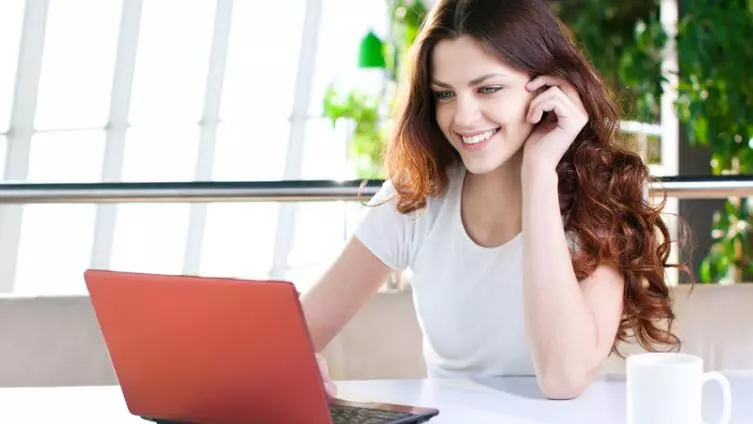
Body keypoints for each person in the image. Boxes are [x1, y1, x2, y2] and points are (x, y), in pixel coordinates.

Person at [302, 0, 686, 400]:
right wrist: (299, 360)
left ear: (548, 88)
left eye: (489, 89)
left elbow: (563, 378)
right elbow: (299, 334)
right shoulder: (416, 198)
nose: (463, 117)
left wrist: (539, 172)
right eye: (445, 94)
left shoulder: (603, 197)